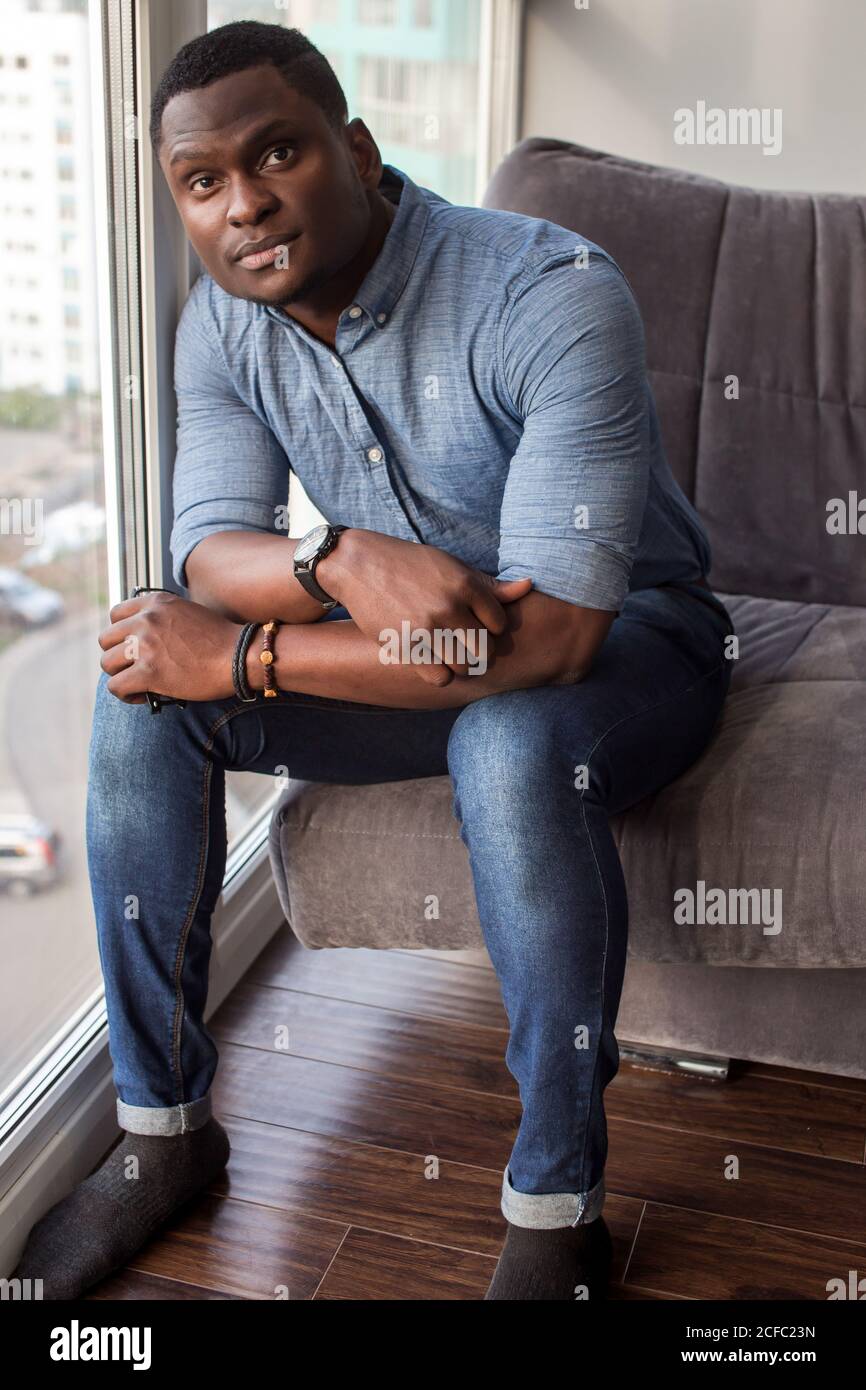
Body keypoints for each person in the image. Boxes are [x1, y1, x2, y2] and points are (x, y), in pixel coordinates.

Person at [13, 20, 734, 1301]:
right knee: (139, 690)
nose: (243, 205)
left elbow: (553, 639)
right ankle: (162, 1138)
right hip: (405, 638)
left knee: (505, 737)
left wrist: (245, 664)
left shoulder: (552, 290)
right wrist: (335, 558)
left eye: (275, 153)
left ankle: (556, 1202)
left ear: (355, 146)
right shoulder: (222, 320)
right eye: (201, 182)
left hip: (634, 641)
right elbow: (208, 552)